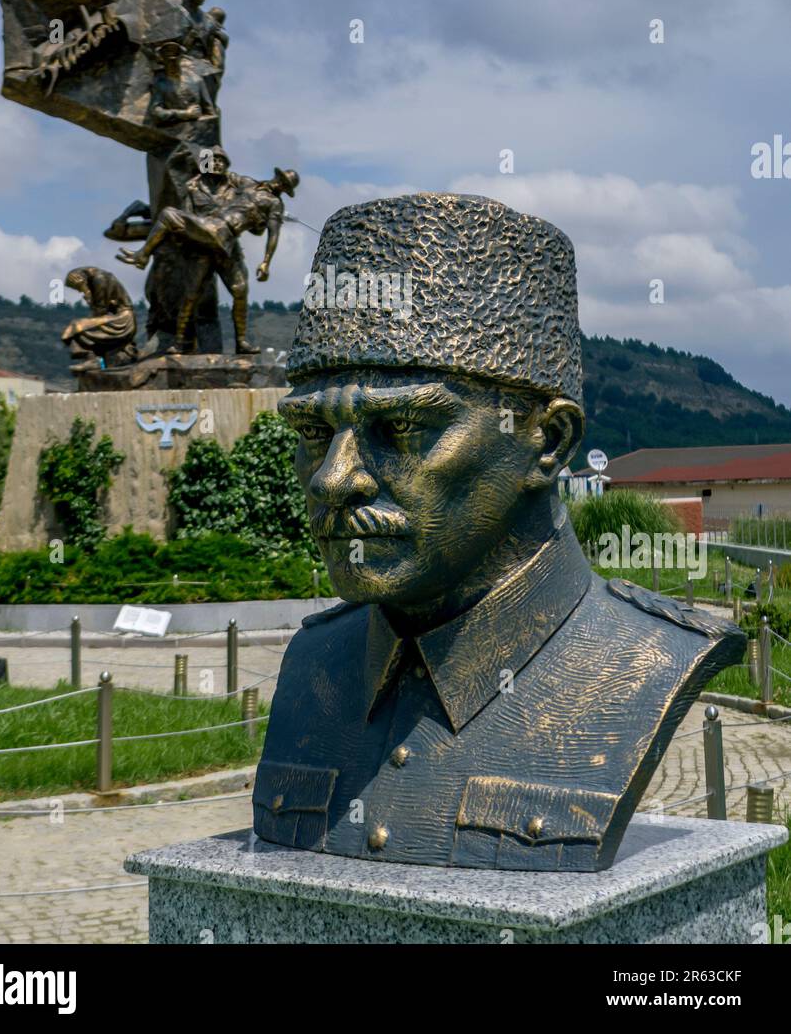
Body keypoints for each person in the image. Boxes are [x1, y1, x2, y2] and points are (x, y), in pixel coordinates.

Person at [251, 193, 745, 872]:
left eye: (401, 431)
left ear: (548, 442)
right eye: (313, 433)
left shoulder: (648, 662)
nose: (332, 480)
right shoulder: (315, 666)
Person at [115, 146, 298, 354]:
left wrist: (265, 261)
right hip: (205, 237)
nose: (279, 183)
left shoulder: (270, 202)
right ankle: (181, 341)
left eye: (284, 184)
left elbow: (270, 233)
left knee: (240, 290)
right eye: (280, 178)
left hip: (226, 243)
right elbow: (210, 177)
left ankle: (241, 342)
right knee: (191, 293)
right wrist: (185, 163)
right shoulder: (244, 183)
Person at [61, 267, 138, 372]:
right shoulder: (98, 278)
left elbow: (100, 311)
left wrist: (87, 292)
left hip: (123, 319)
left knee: (76, 326)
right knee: (77, 326)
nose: (79, 291)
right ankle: (92, 358)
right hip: (117, 317)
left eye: (77, 287)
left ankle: (91, 359)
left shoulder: (99, 278)